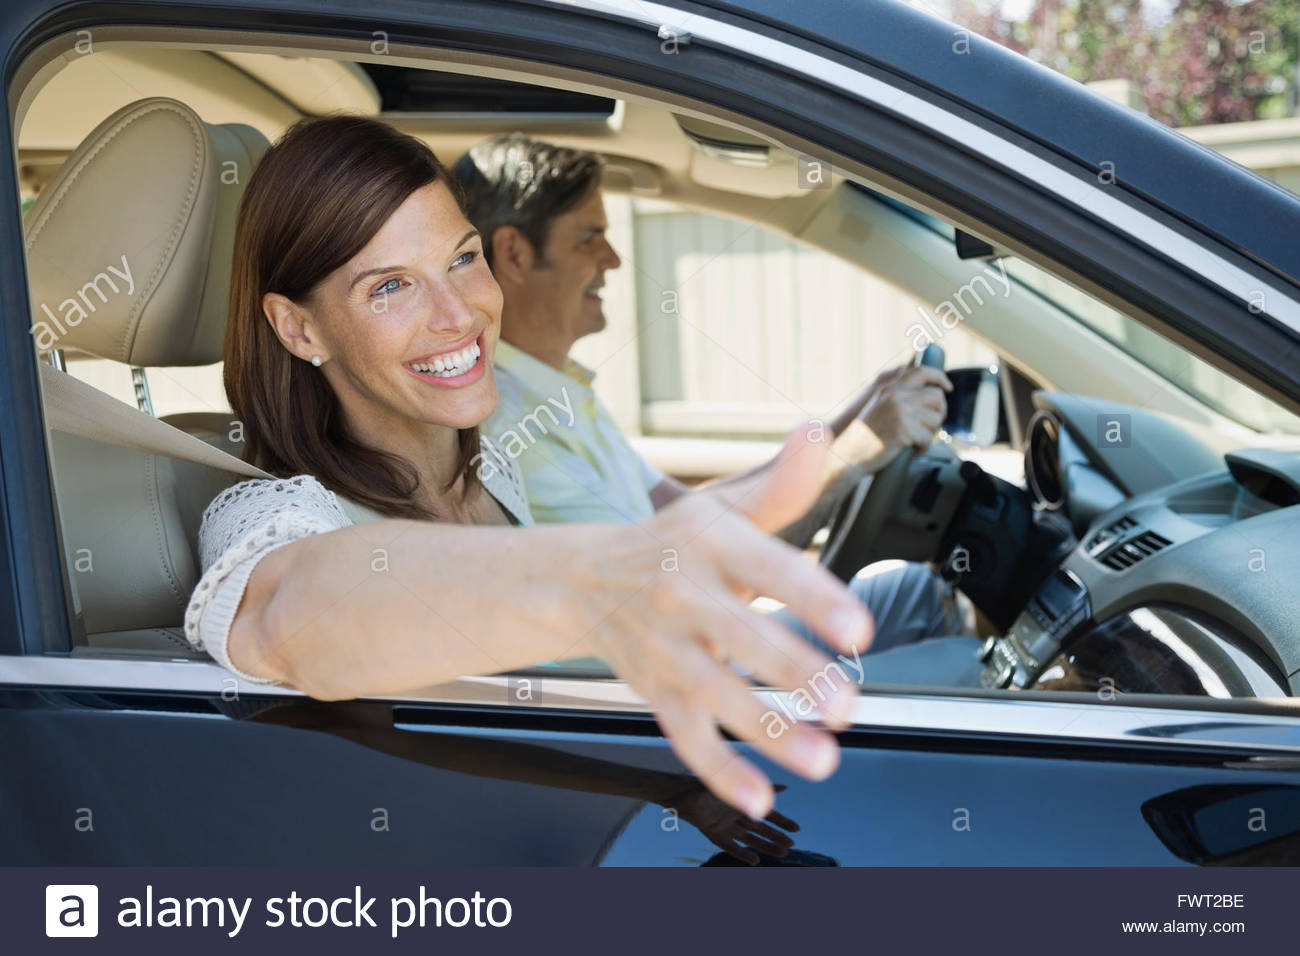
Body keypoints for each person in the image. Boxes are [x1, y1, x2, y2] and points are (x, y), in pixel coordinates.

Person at [182, 114, 877, 823]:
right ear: (299, 328)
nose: (461, 313)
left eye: (461, 258)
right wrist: (586, 585)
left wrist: (648, 787)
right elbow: (289, 619)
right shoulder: (271, 512)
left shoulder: (492, 472)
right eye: (391, 286)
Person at [451, 135, 983, 682]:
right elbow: (687, 577)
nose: (612, 258)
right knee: (970, 671)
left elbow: (686, 511)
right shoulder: (508, 427)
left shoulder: (558, 392)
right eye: (591, 238)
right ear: (515, 253)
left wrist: (856, 417)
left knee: (919, 596)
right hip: (662, 694)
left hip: (696, 651)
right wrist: (850, 457)